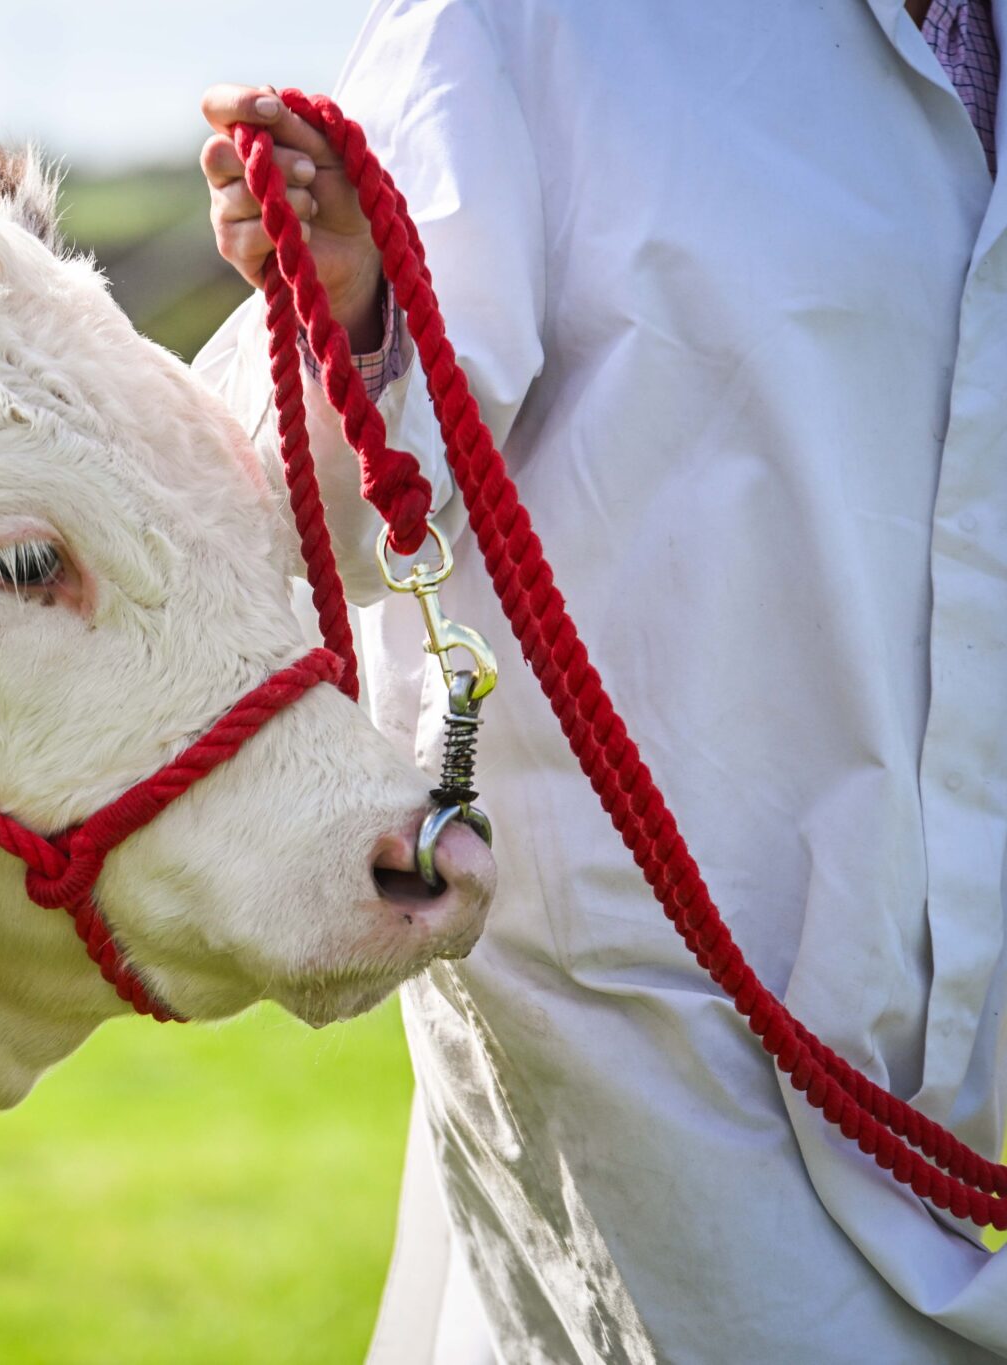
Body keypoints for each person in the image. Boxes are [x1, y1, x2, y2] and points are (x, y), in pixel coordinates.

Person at [192, 2, 1007, 1360]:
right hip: (653, 1038)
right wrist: (358, 319)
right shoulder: (531, 25)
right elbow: (299, 512)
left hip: (948, 1038)